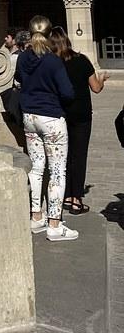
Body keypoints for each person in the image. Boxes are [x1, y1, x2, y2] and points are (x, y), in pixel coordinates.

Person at [16, 15, 78, 242]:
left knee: (36, 167)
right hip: (51, 118)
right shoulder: (53, 61)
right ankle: (54, 224)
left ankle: (36, 217)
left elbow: (19, 79)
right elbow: (68, 92)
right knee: (58, 171)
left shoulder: (23, 58)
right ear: (50, 33)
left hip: (29, 116)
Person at [50, 26, 108, 215]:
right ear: (67, 40)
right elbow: (96, 88)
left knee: (63, 156)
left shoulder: (52, 63)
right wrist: (102, 79)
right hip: (82, 115)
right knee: (79, 155)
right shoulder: (82, 60)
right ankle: (76, 199)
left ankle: (65, 195)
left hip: (60, 114)